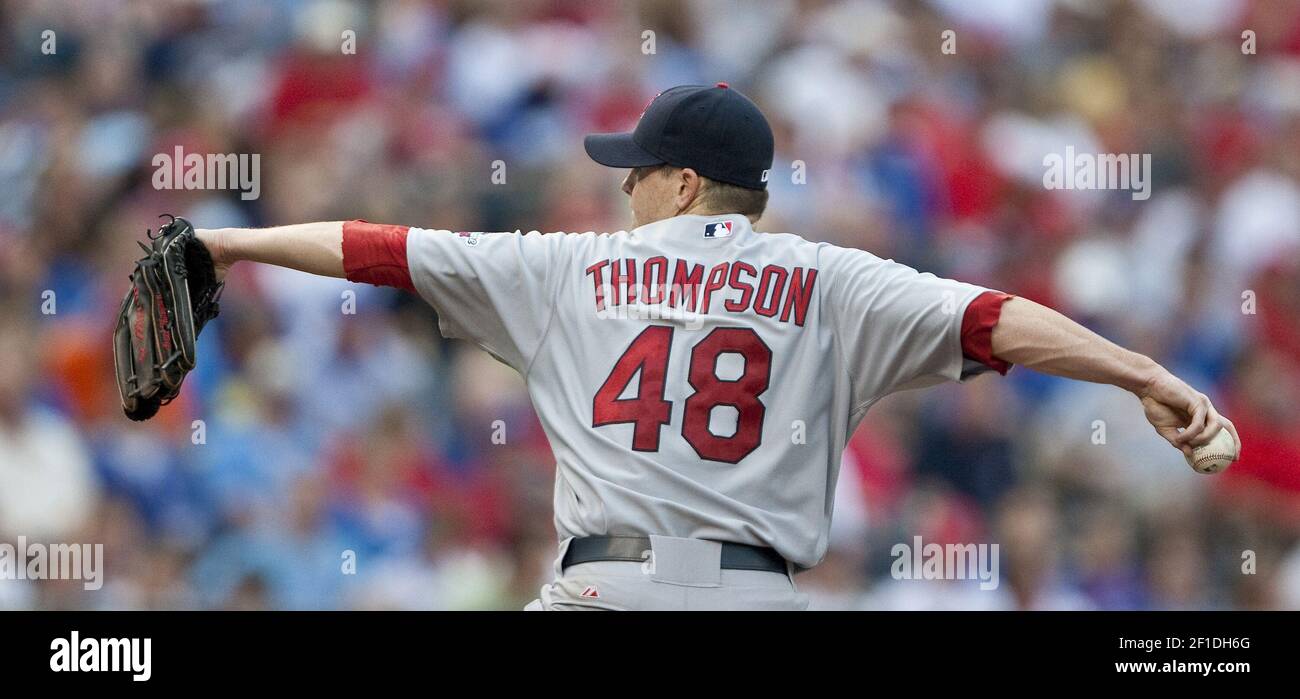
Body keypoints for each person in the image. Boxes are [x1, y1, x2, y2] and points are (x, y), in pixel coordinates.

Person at [192, 83, 1239, 610]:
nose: (624, 182)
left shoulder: (570, 265)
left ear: (683, 183)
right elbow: (996, 319)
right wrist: (1143, 372)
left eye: (638, 168)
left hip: (603, 590)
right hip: (754, 594)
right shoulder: (833, 278)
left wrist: (229, 240)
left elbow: (378, 249)